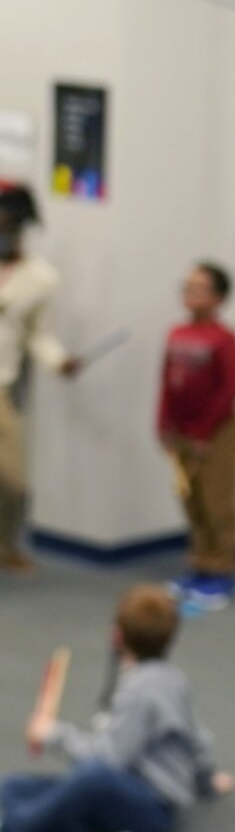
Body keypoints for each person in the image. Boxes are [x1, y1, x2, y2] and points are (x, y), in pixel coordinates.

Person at [5, 585, 229, 832]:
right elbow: (197, 739)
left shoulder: (141, 691)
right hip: (125, 791)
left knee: (89, 778)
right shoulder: (172, 679)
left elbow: (108, 759)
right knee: (13, 786)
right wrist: (208, 780)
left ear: (117, 636)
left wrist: (53, 733)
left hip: (151, 807)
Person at [0, 183, 84, 575]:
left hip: (2, 384)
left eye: (9, 224)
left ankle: (6, 544)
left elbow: (39, 334)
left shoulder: (40, 278)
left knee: (13, 480)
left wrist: (59, 361)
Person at [159, 261, 235, 611]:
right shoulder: (176, 333)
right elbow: (167, 382)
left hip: (216, 432)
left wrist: (204, 431)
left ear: (219, 297)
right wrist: (163, 423)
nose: (190, 294)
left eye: (200, 288)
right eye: (187, 287)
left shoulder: (225, 339)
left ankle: (222, 572)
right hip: (181, 431)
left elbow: (229, 390)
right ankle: (199, 565)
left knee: (217, 502)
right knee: (191, 499)